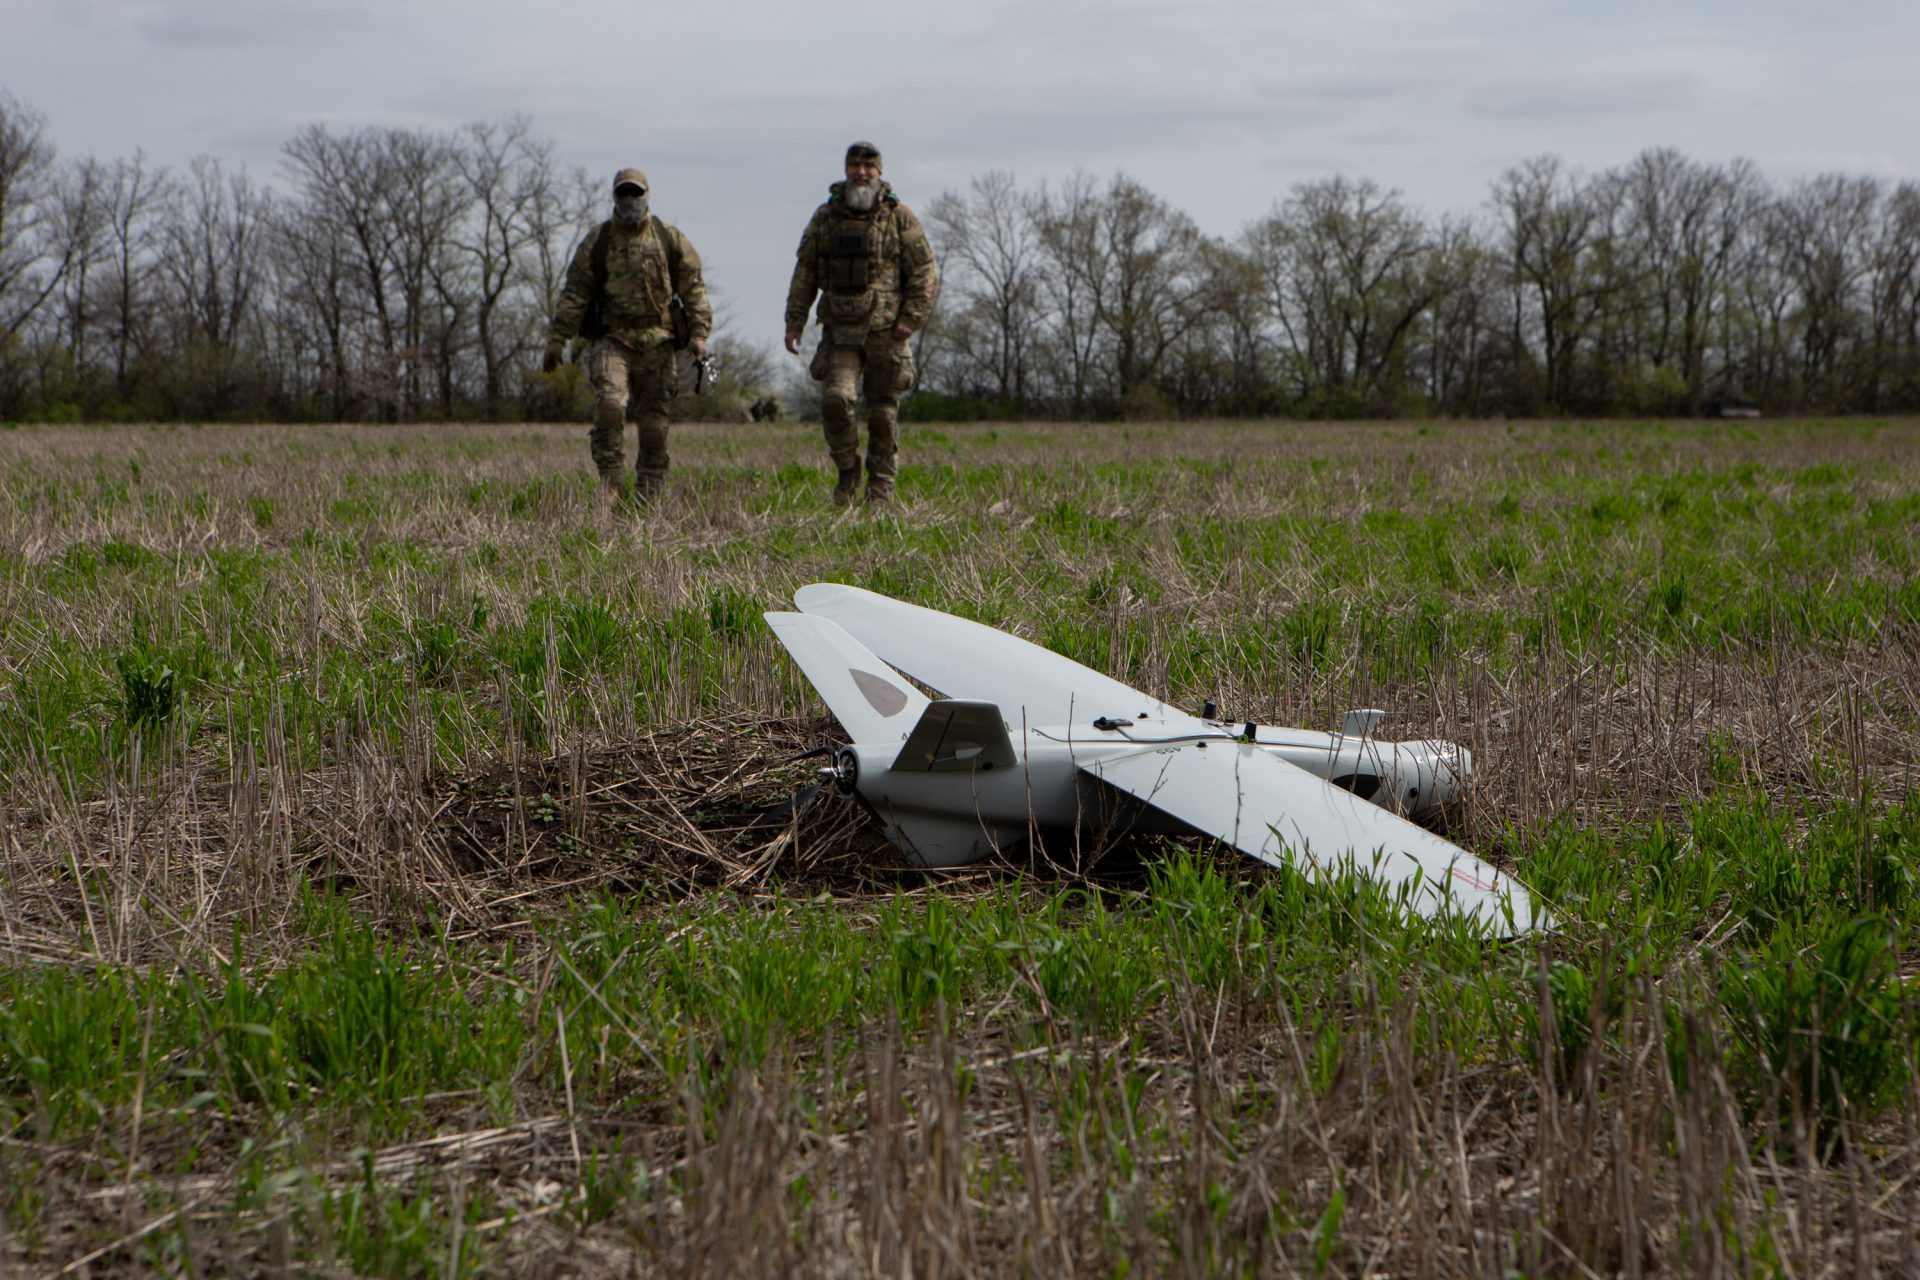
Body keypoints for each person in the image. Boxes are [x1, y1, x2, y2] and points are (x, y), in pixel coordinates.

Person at [784, 141, 939, 505]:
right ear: (846, 170)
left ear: (880, 172)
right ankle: (847, 469)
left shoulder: (900, 216)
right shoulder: (826, 217)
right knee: (836, 400)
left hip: (887, 331)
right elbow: (804, 272)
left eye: (869, 166)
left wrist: (910, 319)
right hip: (840, 331)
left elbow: (925, 273)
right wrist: (795, 321)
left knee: (883, 412)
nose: (862, 172)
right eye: (855, 165)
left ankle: (881, 485)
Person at [543, 168, 711, 502]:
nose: (630, 200)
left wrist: (700, 334)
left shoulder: (670, 239)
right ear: (614, 197)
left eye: (637, 193)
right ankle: (612, 482)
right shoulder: (598, 241)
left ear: (648, 195)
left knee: (653, 426)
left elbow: (693, 288)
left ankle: (648, 495)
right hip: (613, 340)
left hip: (659, 342)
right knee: (610, 405)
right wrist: (557, 339)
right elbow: (575, 292)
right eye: (624, 194)